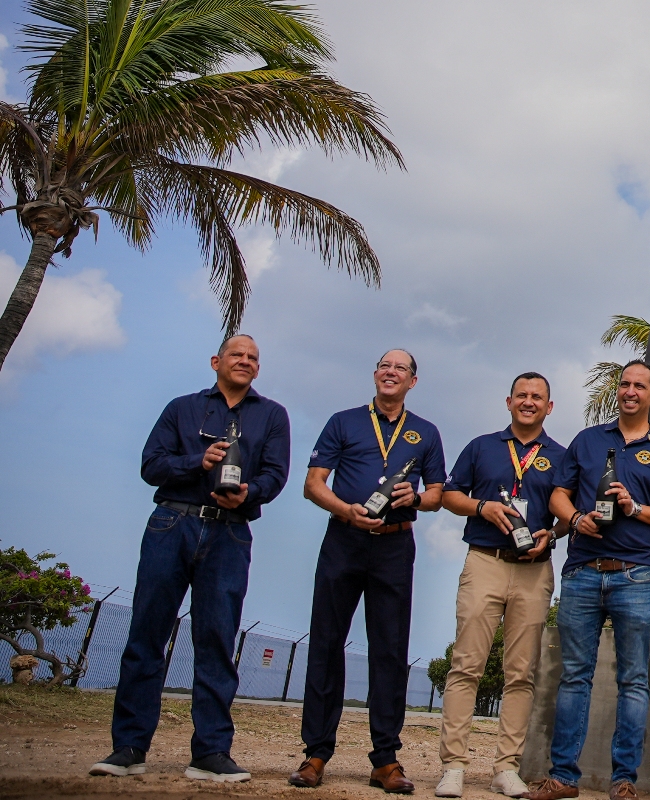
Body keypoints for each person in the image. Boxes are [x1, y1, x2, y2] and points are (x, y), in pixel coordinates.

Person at [91, 334, 290, 783]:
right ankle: (128, 746)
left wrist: (248, 493)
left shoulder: (272, 415)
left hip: (230, 532)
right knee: (147, 632)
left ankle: (211, 752)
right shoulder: (181, 407)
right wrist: (198, 463)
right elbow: (150, 465)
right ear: (216, 361)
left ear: (259, 369)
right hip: (171, 524)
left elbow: (276, 476)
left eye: (253, 358)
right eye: (237, 354)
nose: (245, 361)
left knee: (218, 641)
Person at [290, 349, 446, 794]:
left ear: (412, 381)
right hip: (344, 539)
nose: (390, 372)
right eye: (384, 365)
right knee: (325, 642)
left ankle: (385, 760)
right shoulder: (344, 421)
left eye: (400, 368)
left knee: (390, 653)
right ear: (375, 375)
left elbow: (437, 494)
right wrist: (346, 510)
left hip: (395, 546)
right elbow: (313, 483)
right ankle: (316, 753)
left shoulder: (426, 432)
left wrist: (413, 500)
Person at [534, 360, 650, 800]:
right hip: (583, 571)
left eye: (640, 386)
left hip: (637, 575)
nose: (630, 391)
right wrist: (577, 518)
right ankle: (563, 777)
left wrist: (636, 507)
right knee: (574, 676)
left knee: (633, 680)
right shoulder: (587, 441)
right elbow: (558, 494)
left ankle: (624, 781)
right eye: (625, 384)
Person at [435, 372, 566, 799]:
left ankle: (505, 766)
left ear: (550, 407)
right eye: (522, 395)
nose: (529, 402)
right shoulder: (481, 446)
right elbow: (448, 496)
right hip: (485, 562)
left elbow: (571, 512)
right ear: (508, 401)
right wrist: (481, 505)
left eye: (538, 397)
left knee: (521, 673)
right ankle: (453, 764)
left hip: (533, 570)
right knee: (465, 665)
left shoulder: (561, 456)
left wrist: (555, 533)